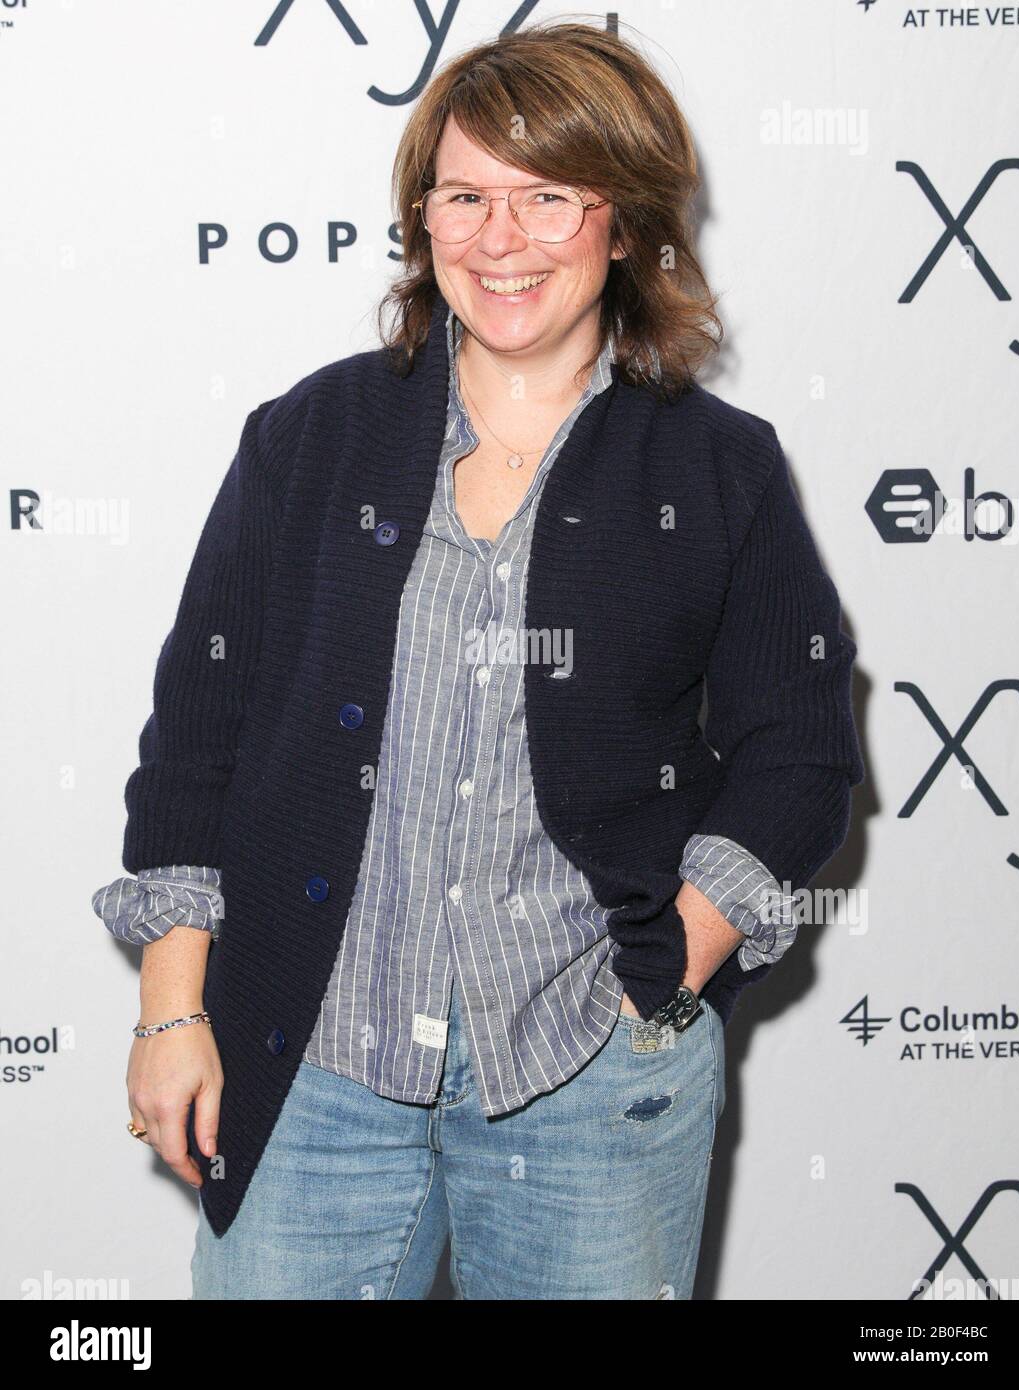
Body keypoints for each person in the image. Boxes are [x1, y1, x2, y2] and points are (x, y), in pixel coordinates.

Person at [91, 20, 864, 1300]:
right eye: (466, 197)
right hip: (314, 1075)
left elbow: (800, 750)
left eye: (548, 198)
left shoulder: (718, 468)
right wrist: (173, 1011)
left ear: (624, 223)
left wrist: (670, 965)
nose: (500, 240)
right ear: (423, 218)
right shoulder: (310, 436)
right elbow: (194, 744)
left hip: (591, 1088)